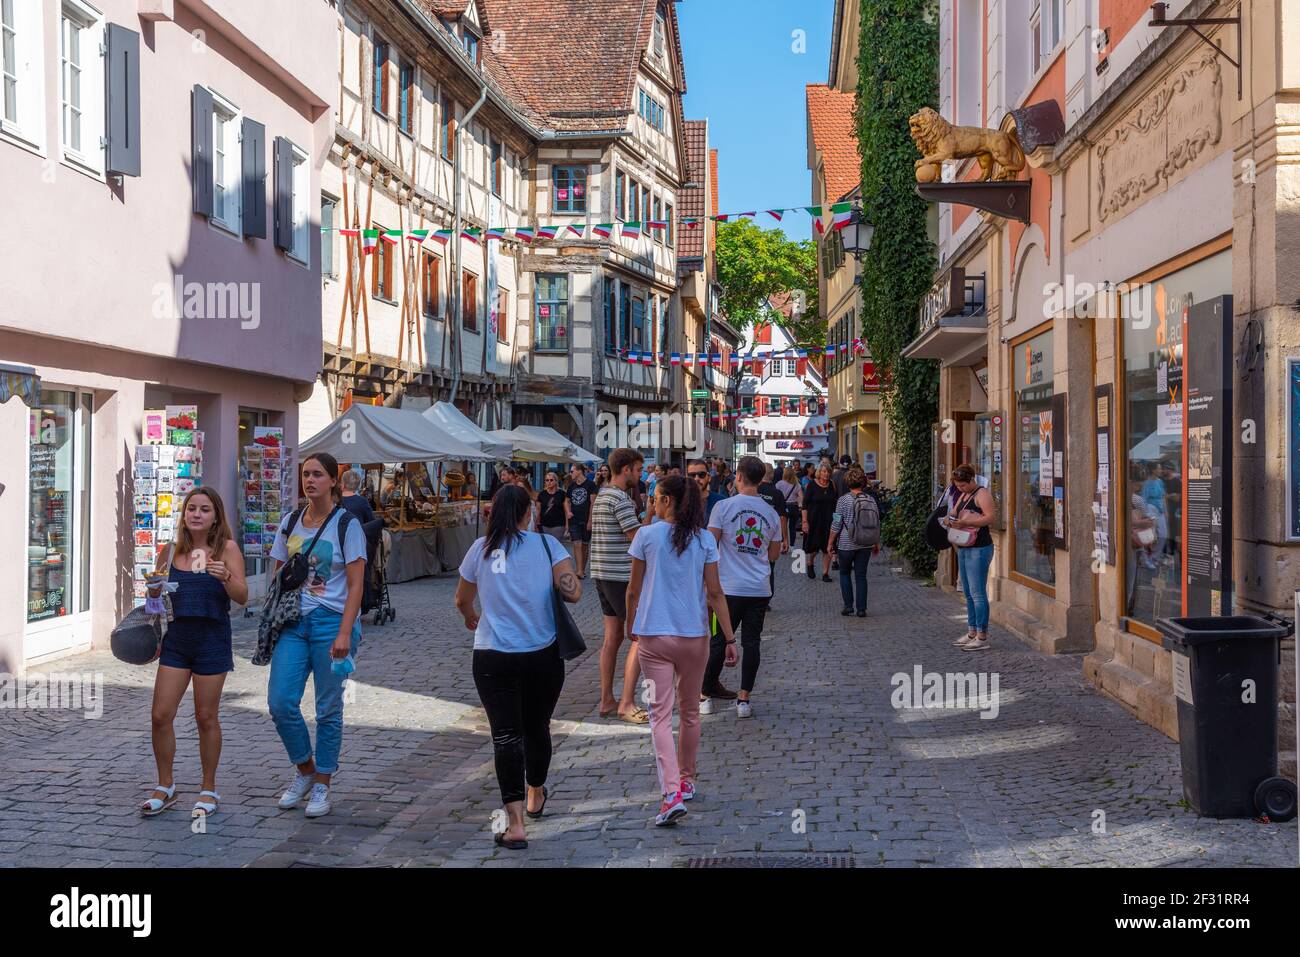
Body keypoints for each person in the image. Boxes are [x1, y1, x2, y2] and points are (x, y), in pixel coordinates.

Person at [455, 484, 580, 850]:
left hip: (494, 654)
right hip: (543, 652)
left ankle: (515, 824)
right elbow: (573, 592)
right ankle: (536, 791)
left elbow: (461, 599)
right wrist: (558, 581)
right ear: (530, 512)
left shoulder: (480, 548)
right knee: (537, 726)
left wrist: (472, 616)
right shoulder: (547, 546)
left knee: (506, 736)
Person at [625, 475, 735, 825]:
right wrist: (730, 639)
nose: (652, 503)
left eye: (655, 497)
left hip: (654, 637)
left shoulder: (646, 536)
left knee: (660, 716)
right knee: (689, 712)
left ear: (668, 501)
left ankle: (670, 793)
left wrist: (631, 623)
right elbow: (716, 593)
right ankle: (687, 781)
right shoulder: (704, 540)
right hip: (694, 637)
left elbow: (633, 589)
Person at [267, 452, 367, 818]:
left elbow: (356, 584)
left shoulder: (347, 525)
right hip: (293, 624)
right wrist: (273, 616)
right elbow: (277, 572)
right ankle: (305, 770)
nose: (310, 481)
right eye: (306, 475)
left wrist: (345, 631)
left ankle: (323, 782)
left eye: (317, 475)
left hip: (331, 623)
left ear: (333, 481)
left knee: (328, 708)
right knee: (280, 702)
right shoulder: (290, 521)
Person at [140, 487, 246, 819]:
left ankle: (208, 788)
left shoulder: (226, 549)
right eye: (191, 509)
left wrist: (225, 575)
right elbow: (154, 603)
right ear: (184, 515)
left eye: (204, 509)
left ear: (216, 516)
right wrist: (153, 590)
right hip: (177, 640)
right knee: (161, 715)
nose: (196, 514)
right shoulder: (170, 552)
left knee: (205, 717)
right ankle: (165, 785)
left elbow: (242, 596)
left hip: (211, 640)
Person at [702, 456, 782, 718]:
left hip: (726, 590)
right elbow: (773, 555)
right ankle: (744, 699)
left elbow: (709, 544)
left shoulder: (723, 507)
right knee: (752, 642)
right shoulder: (770, 513)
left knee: (717, 640)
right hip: (758, 588)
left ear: (738, 477)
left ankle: (704, 696)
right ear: (760, 479)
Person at [591, 448, 649, 724]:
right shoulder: (621, 500)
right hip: (621, 577)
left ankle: (606, 700)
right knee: (639, 636)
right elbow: (637, 540)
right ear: (625, 469)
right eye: (638, 470)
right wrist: (650, 516)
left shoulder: (603, 495)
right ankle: (626, 702)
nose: (640, 475)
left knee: (612, 639)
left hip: (602, 574)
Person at [943, 463, 996, 651]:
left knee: (977, 593)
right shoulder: (964, 494)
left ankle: (982, 636)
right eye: (958, 486)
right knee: (967, 592)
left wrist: (967, 521)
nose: (960, 489)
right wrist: (950, 518)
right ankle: (971, 631)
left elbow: (990, 517)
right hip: (965, 545)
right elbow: (953, 511)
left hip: (979, 548)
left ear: (972, 480)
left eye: (963, 485)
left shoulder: (982, 494)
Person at [828, 469, 880, 618]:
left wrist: (830, 542)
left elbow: (836, 523)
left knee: (844, 573)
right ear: (863, 482)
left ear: (847, 482)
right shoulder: (870, 499)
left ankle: (848, 606)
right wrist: (876, 542)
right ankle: (862, 608)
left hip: (846, 543)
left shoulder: (843, 500)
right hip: (866, 543)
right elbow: (876, 522)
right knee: (861, 576)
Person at [754, 463, 789, 603]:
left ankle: (754, 594)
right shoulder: (777, 493)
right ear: (772, 476)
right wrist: (785, 539)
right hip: (770, 536)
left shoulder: (753, 490)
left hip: (754, 533)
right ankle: (766, 597)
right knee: (769, 566)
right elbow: (782, 517)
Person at [564, 463, 598, 578]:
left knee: (584, 545)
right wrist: (568, 511)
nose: (570, 473)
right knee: (576, 543)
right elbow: (566, 501)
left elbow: (593, 504)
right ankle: (578, 570)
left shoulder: (591, 485)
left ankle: (582, 569)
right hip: (574, 519)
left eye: (572, 471)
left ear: (579, 471)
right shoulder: (571, 486)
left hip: (586, 518)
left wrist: (590, 521)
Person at [536, 470, 568, 542]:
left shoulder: (562, 494)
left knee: (555, 546)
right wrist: (536, 524)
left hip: (558, 525)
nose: (549, 482)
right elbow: (538, 510)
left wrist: (567, 525)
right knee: (545, 547)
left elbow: (566, 511)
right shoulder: (541, 494)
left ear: (556, 481)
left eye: (551, 480)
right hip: (544, 525)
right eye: (547, 480)